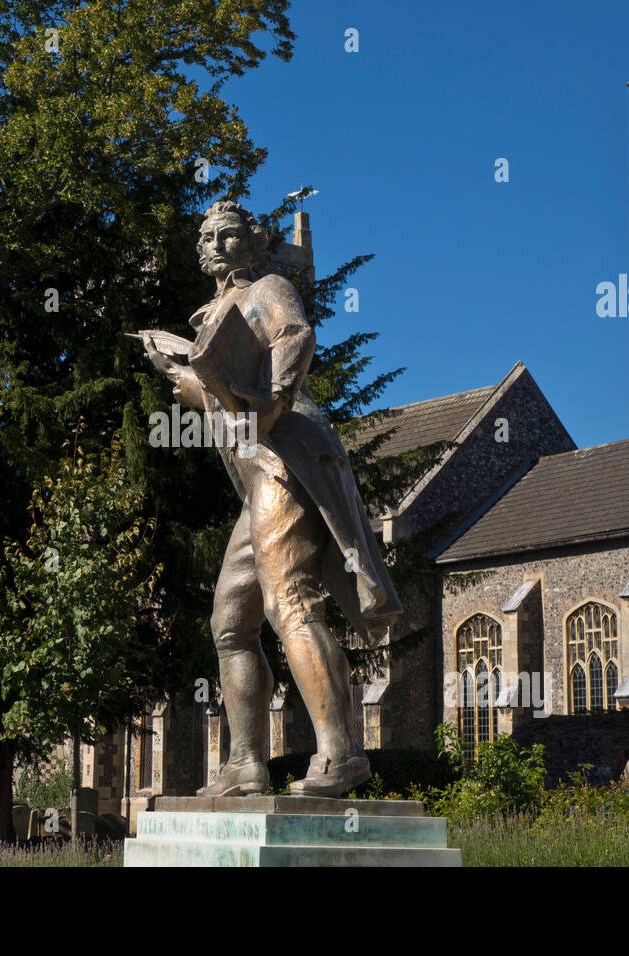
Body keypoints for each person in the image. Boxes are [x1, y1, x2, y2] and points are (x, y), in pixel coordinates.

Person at [140, 200, 402, 797]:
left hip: (286, 462)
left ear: (253, 244)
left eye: (229, 235)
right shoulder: (212, 316)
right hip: (257, 482)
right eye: (207, 237)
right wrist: (184, 374)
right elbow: (218, 397)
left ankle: (341, 754)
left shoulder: (267, 289)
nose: (216, 245)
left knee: (291, 605)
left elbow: (294, 334)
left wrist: (272, 397)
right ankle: (246, 764)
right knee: (231, 623)